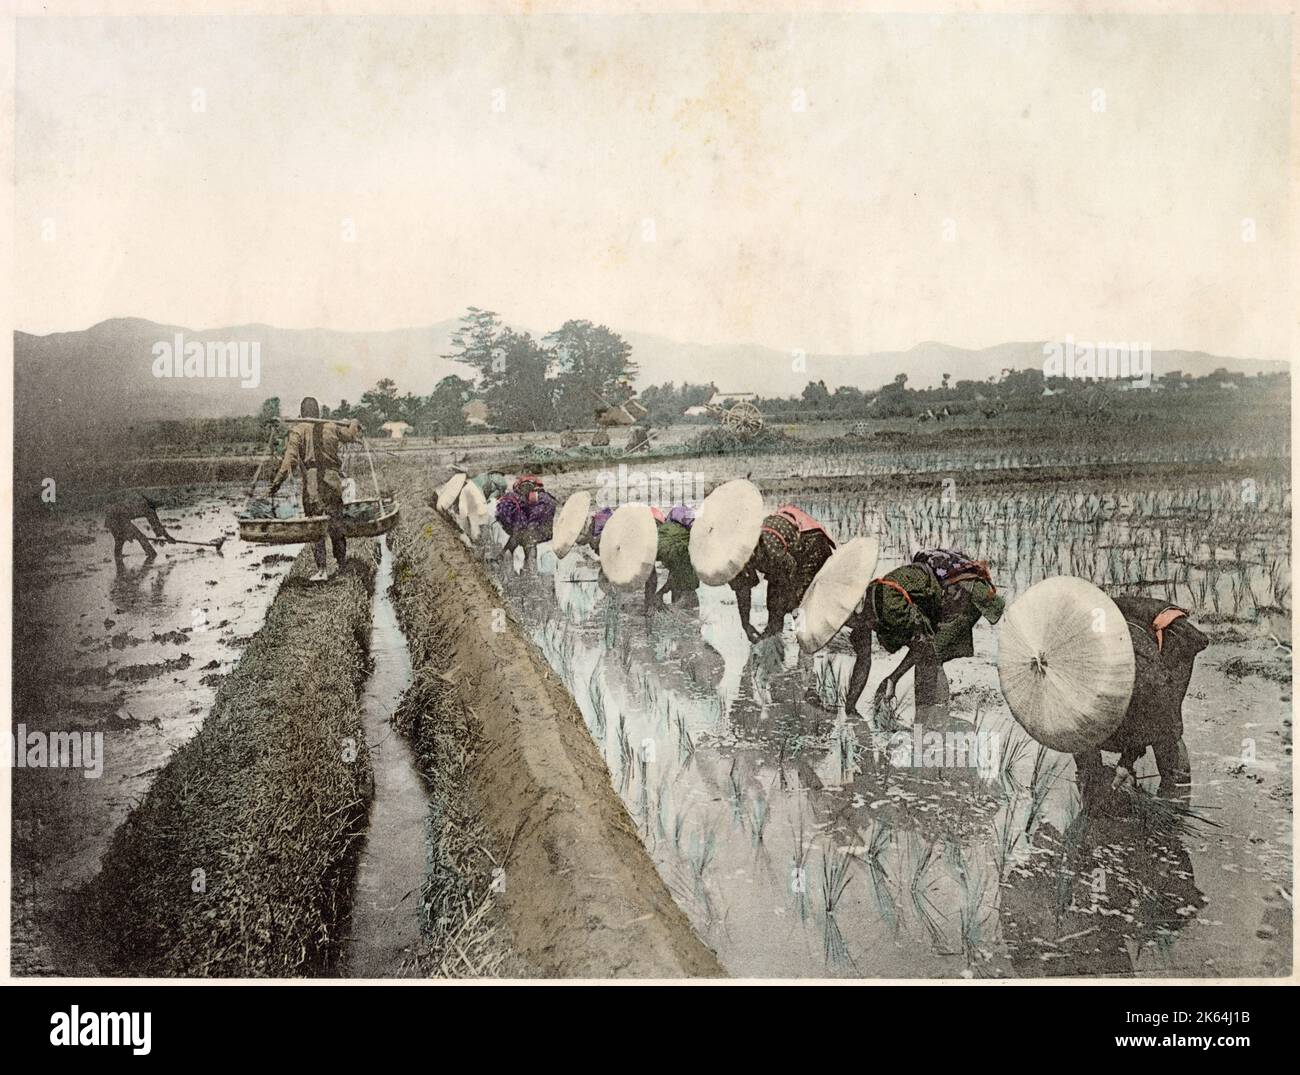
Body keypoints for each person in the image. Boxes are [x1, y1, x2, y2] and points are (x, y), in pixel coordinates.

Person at [1073, 594, 1208, 809]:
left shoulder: (1133, 664)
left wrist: (1126, 762)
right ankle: (1094, 792)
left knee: (1166, 725)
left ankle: (1176, 793)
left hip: (1170, 636)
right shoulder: (1070, 672)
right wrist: (1090, 776)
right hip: (1129, 631)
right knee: (1080, 729)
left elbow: (1154, 704)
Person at [844, 549, 1004, 722]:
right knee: (929, 658)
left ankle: (936, 719)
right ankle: (929, 720)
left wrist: (893, 678)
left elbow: (923, 643)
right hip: (939, 596)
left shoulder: (887, 604)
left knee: (932, 656)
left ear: (855, 610)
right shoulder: (863, 612)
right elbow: (863, 661)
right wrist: (850, 708)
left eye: (845, 620)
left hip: (963, 593)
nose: (846, 625)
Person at [262, 396, 363, 582]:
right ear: (319, 413)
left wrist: (276, 484)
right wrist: (354, 423)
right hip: (333, 483)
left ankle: (322, 570)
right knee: (336, 524)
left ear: (301, 414)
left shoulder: (298, 430)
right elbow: (350, 435)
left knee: (315, 527)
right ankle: (341, 564)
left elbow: (290, 460)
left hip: (312, 486)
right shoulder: (332, 426)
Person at [730, 505, 836, 642]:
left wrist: (793, 604)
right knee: (775, 604)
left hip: (811, 545)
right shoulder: (733, 559)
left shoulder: (769, 546)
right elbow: (742, 589)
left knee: (799, 601)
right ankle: (774, 638)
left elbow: (791, 571)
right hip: (785, 553)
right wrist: (746, 624)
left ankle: (806, 640)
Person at [496, 475, 558, 570]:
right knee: (529, 541)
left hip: (535, 514)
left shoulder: (516, 501)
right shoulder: (538, 495)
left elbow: (519, 528)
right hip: (541, 514)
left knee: (528, 541)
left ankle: (528, 570)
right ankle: (529, 570)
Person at [646, 505, 699, 614]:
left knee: (685, 598)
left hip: (685, 562)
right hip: (683, 561)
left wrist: (660, 594)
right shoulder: (667, 537)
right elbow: (673, 574)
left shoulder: (675, 515)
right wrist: (659, 594)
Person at [105, 491, 175, 564]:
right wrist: (168, 537)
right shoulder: (148, 508)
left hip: (111, 519)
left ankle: (119, 563)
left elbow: (156, 526)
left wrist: (167, 537)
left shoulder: (142, 500)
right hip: (118, 519)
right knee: (141, 537)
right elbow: (157, 525)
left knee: (120, 540)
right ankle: (151, 556)